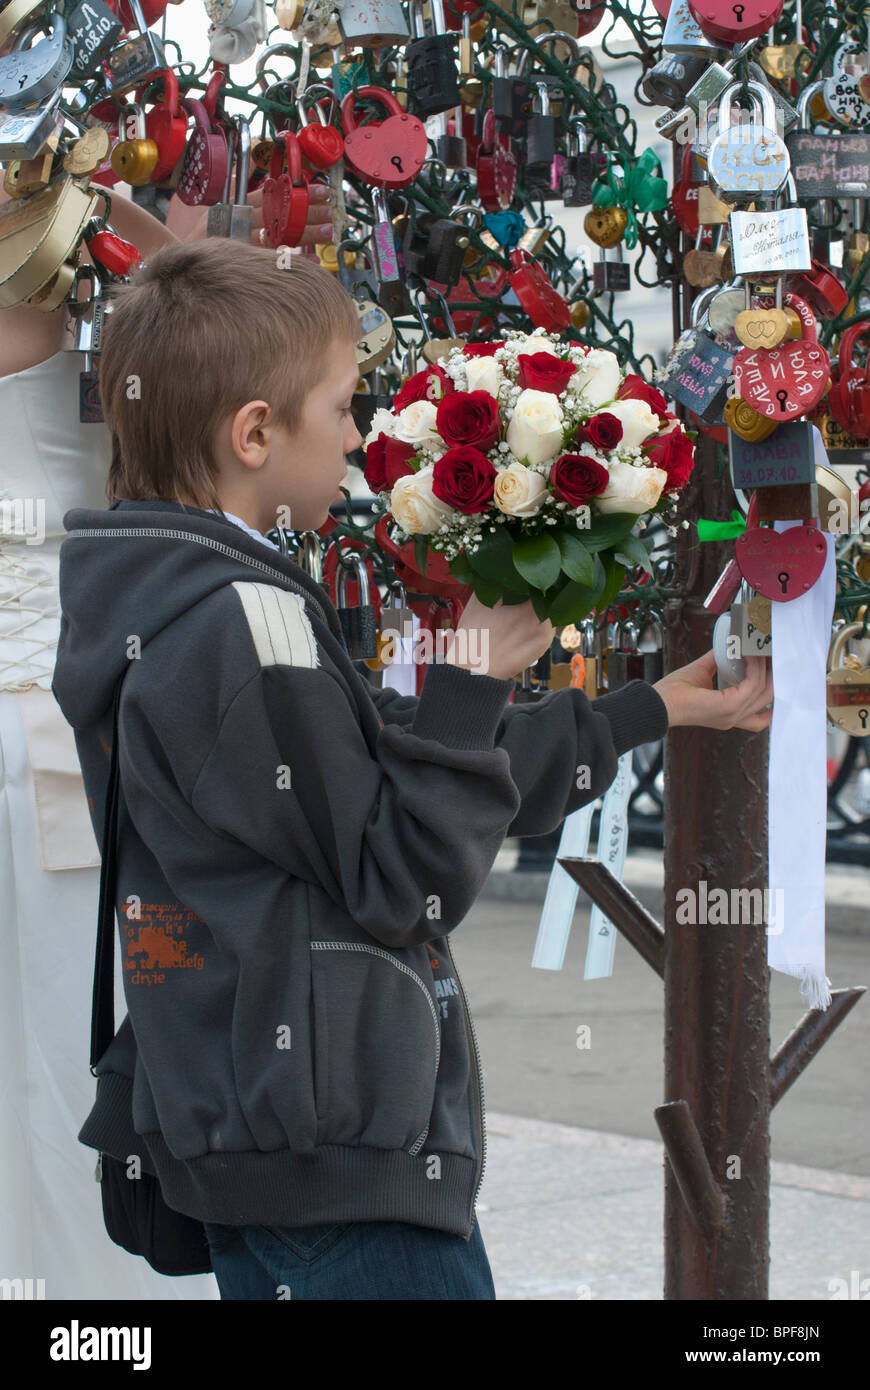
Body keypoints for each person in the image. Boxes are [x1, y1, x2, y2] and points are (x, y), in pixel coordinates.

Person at [51, 239, 773, 1301]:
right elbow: (407, 873)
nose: (357, 437)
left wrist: (650, 707)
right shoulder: (237, 621)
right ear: (255, 431)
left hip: (280, 1147)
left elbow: (400, 777)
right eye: (341, 408)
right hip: (333, 1167)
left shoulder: (183, 594)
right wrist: (473, 675)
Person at [0, 172, 332, 1299]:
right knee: (69, 1031)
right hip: (76, 711)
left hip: (71, 717)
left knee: (64, 1026)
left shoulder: (73, 235)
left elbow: (212, 304)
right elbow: (217, 304)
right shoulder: (80, 252)